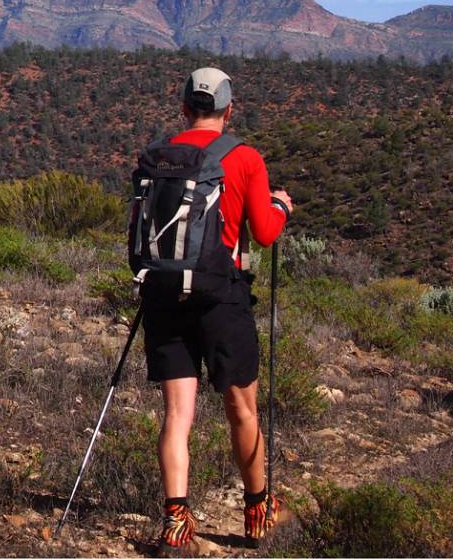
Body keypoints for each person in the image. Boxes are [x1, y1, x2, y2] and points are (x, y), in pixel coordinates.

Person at [141, 67, 292, 556]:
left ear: (185, 107)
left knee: (177, 415)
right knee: (242, 410)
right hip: (221, 298)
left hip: (164, 294)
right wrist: (281, 207)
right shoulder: (244, 157)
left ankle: (177, 521)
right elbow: (265, 233)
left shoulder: (159, 157)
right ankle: (258, 511)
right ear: (229, 110)